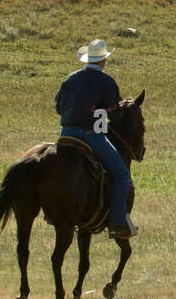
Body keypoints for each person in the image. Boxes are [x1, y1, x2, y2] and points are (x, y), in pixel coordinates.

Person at [55, 39, 138, 239]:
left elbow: (59, 107)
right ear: (103, 61)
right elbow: (115, 114)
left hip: (65, 135)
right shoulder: (107, 82)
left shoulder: (70, 79)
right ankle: (117, 223)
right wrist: (116, 110)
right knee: (121, 175)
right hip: (92, 136)